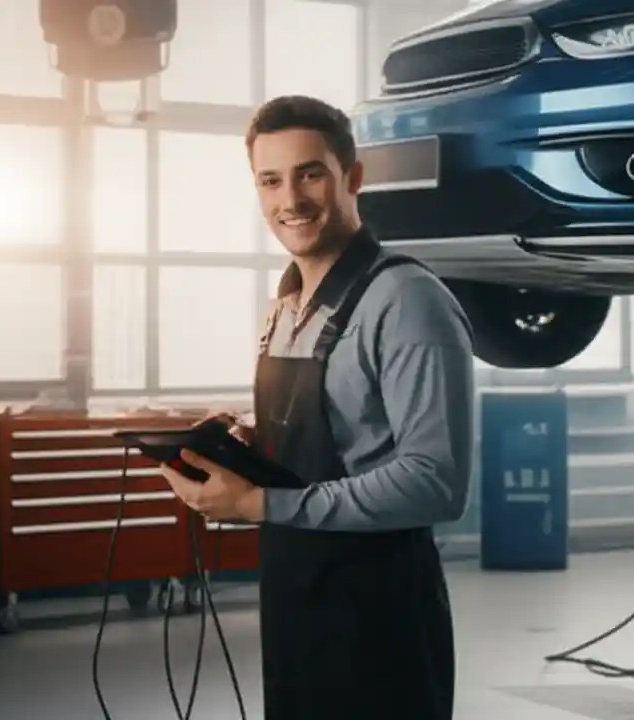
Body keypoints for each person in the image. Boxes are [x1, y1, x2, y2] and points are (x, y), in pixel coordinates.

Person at [159, 95, 475, 720]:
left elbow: (436, 482)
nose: (291, 200)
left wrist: (260, 504)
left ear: (352, 177)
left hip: (378, 615)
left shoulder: (407, 300)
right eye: (270, 180)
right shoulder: (284, 306)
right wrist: (249, 442)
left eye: (310, 174)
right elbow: (342, 427)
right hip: (294, 600)